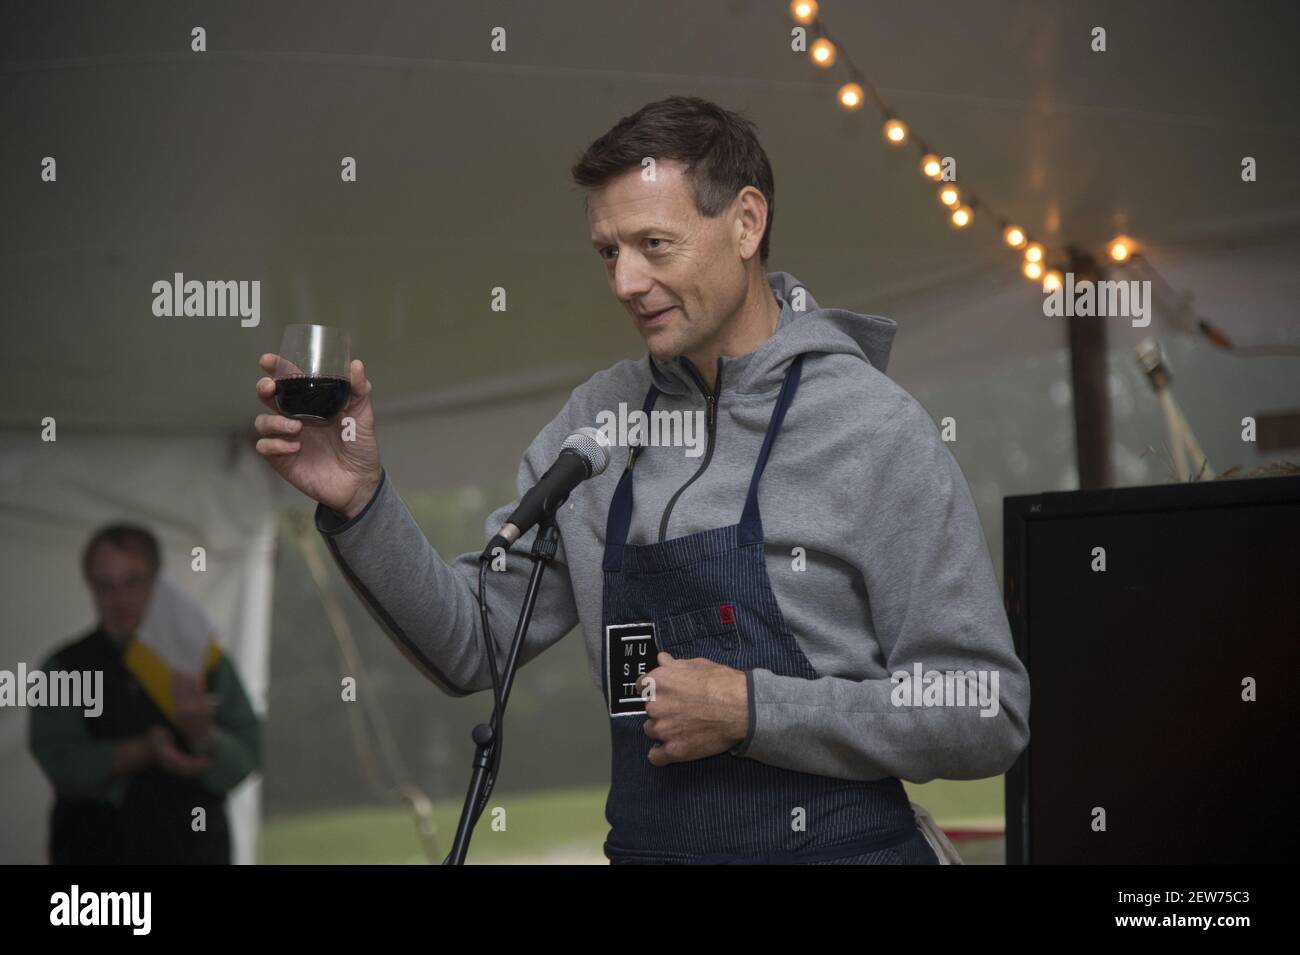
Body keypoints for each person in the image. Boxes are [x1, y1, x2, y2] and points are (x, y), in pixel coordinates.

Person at [253, 95, 1030, 864]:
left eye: (654, 245)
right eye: (608, 252)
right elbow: (472, 641)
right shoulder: (596, 422)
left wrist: (754, 708)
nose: (625, 282)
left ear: (746, 223)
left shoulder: (872, 427)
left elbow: (984, 708)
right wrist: (361, 501)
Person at [28, 523, 261, 864]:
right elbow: (61, 764)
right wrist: (143, 751)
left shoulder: (204, 661)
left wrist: (203, 734)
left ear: (157, 580)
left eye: (133, 582)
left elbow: (246, 758)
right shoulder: (63, 668)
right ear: (90, 586)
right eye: (105, 586)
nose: (120, 600)